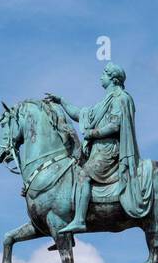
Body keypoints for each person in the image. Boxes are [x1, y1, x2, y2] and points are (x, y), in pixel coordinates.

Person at [44, 62, 140, 236]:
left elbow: (116, 125)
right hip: (97, 150)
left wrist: (93, 133)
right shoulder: (104, 102)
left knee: (83, 175)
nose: (100, 77)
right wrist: (61, 101)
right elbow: (81, 114)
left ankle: (80, 220)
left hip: (109, 150)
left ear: (113, 78)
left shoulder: (120, 98)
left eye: (104, 74)